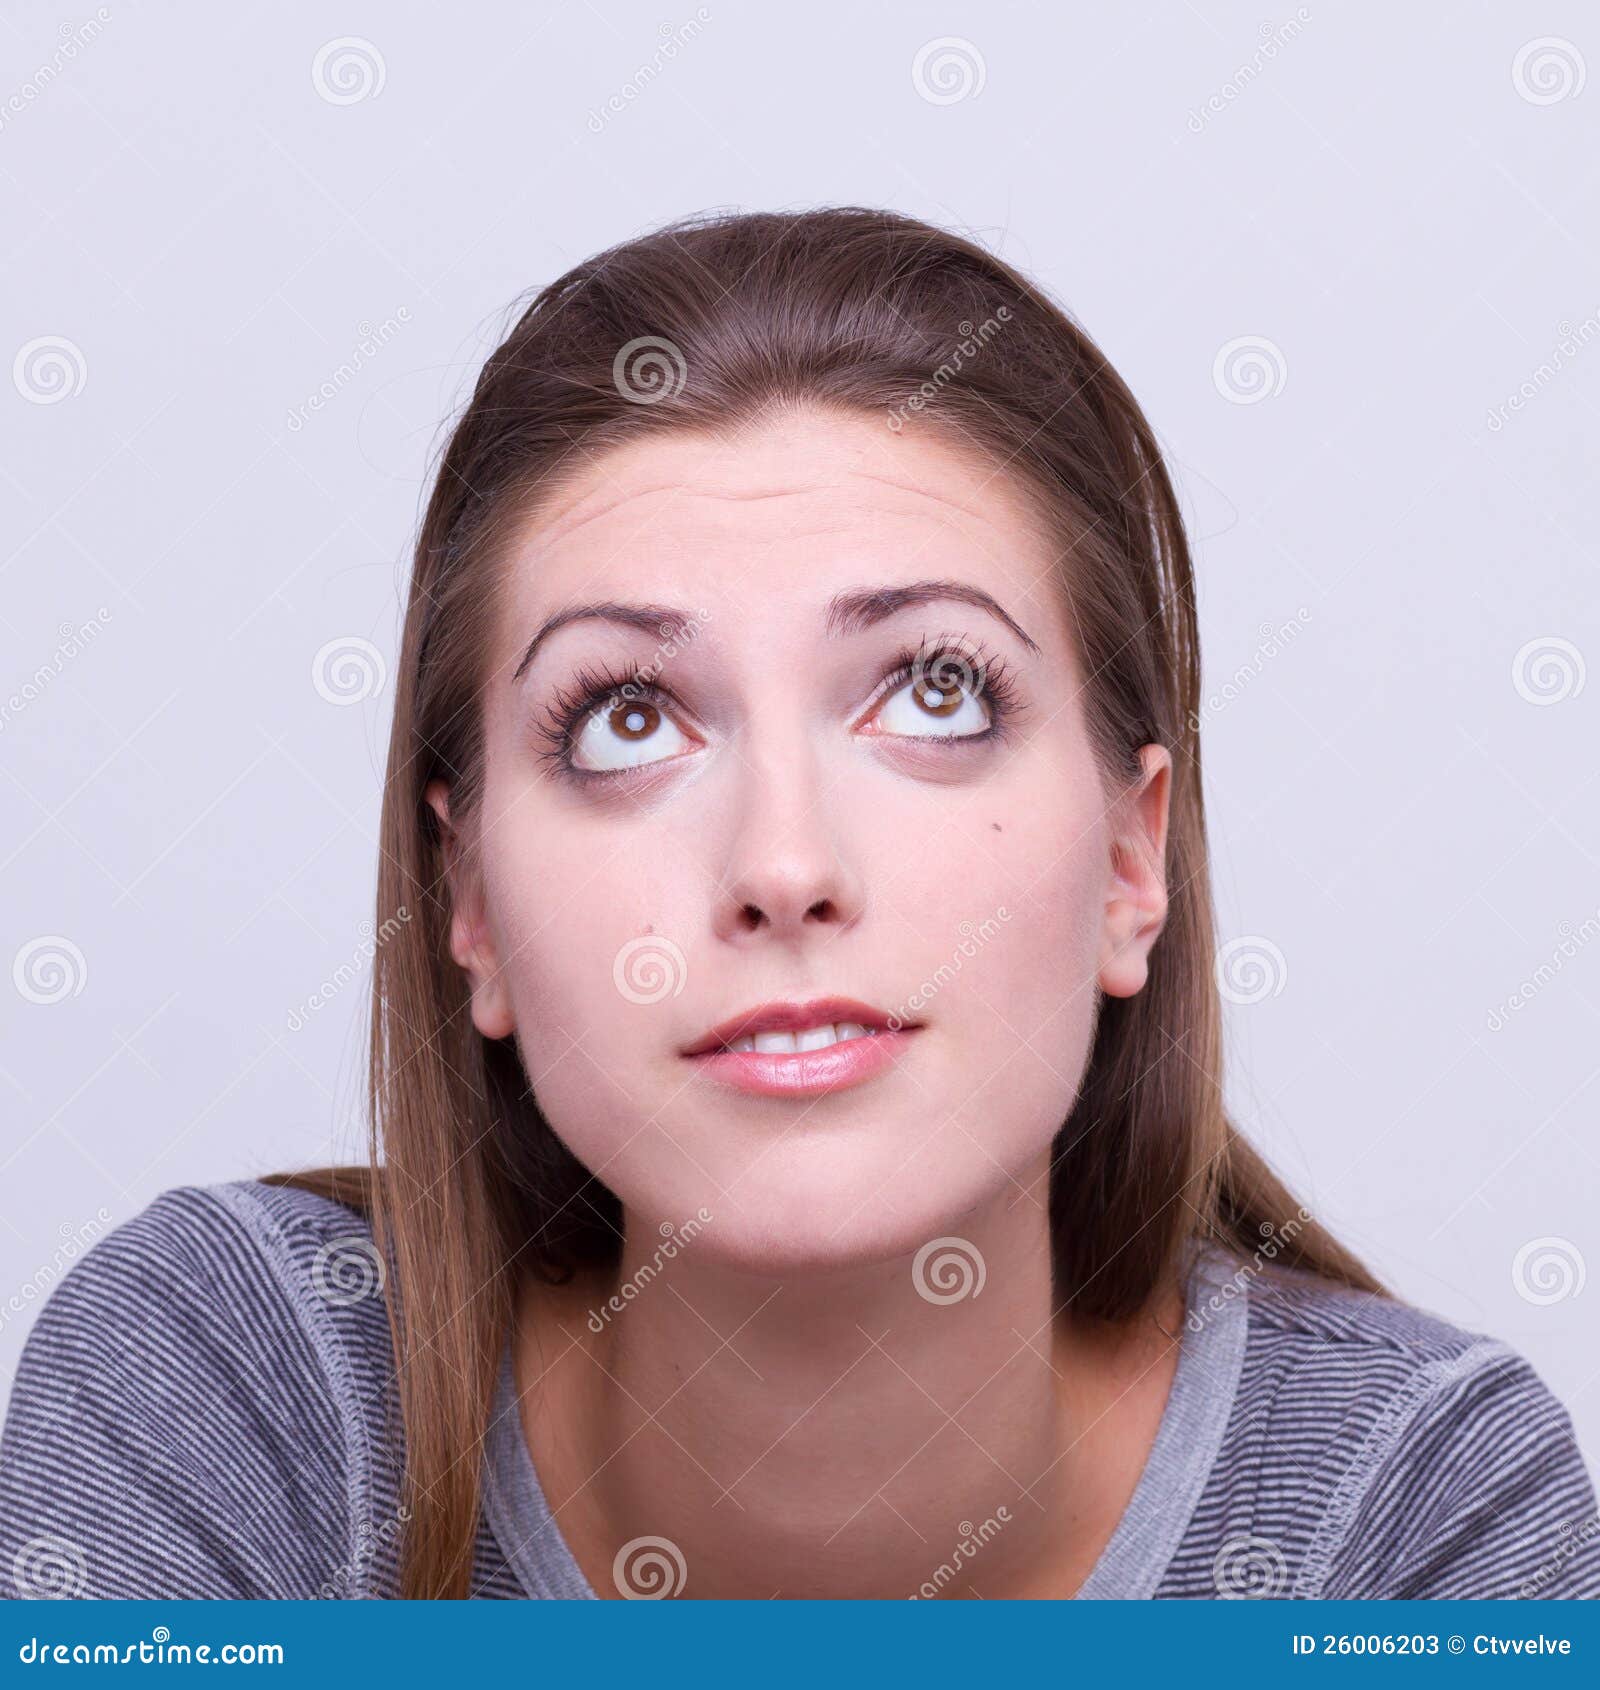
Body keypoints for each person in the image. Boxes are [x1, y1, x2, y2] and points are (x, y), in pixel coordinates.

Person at [3, 208, 1595, 1601]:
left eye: (936, 689)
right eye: (629, 717)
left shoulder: (1416, 1518)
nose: (782, 867)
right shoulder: (239, 1386)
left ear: (1133, 860)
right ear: (469, 898)